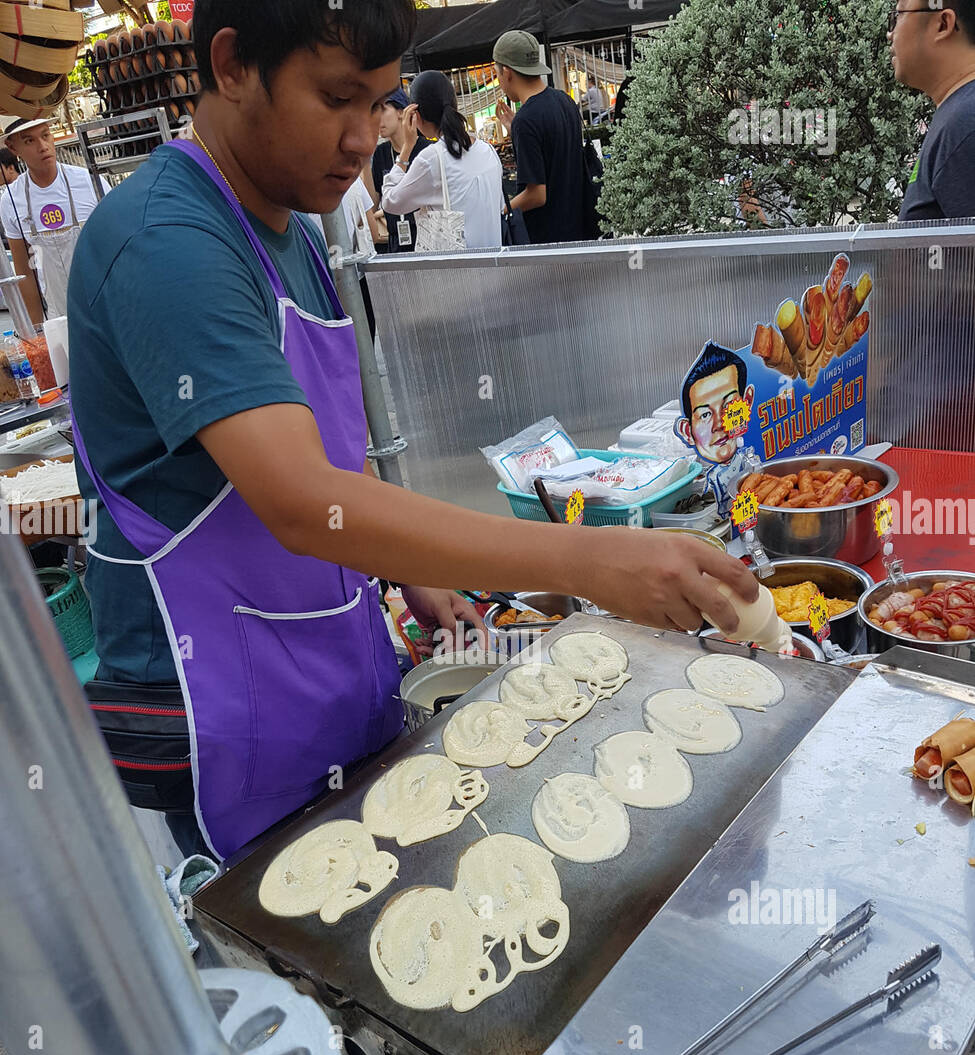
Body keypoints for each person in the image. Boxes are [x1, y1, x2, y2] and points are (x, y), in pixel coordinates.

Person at [69, 0, 757, 863]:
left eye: (380, 104)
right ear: (234, 64)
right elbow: (298, 498)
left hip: (320, 661)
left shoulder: (287, 228)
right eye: (336, 99)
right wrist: (589, 560)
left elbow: (333, 452)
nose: (365, 137)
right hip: (221, 707)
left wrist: (408, 570)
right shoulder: (166, 240)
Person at [381, 70, 503, 250]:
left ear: (416, 115)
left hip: (456, 274)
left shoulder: (432, 158)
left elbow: (391, 202)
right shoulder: (487, 150)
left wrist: (407, 148)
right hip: (494, 266)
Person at [0, 117, 106, 322]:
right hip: (59, 314)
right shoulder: (11, 200)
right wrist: (37, 332)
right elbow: (24, 271)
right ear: (13, 148)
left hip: (106, 304)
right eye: (29, 141)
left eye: (46, 135)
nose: (43, 147)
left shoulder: (89, 182)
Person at [493, 30, 595, 243]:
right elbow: (556, 153)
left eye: (497, 73)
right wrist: (516, 132)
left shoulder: (526, 120)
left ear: (507, 72)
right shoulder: (564, 100)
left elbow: (537, 195)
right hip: (581, 230)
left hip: (549, 241)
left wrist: (504, 210)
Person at [892, 0, 975, 219]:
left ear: (943, 24)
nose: (890, 34)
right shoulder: (958, 115)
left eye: (898, 15)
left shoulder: (967, 124)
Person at [370, 87, 429, 253]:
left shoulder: (427, 150)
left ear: (401, 112)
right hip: (395, 245)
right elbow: (373, 205)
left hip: (426, 243)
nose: (376, 119)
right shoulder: (380, 153)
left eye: (381, 110)